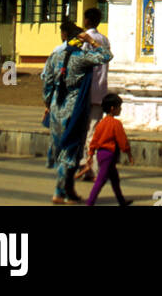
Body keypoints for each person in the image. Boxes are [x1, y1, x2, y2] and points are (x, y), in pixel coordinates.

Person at [41, 17, 112, 205]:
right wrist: (91, 41)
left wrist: (48, 104)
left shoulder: (55, 56)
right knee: (71, 150)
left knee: (62, 148)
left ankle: (69, 189)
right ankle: (59, 191)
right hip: (75, 108)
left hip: (57, 106)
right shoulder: (81, 58)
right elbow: (106, 56)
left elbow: (47, 83)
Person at [75, 6, 110, 183]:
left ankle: (90, 167)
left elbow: (81, 63)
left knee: (85, 132)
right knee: (94, 131)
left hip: (86, 90)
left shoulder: (86, 40)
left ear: (87, 20)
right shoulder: (104, 39)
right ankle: (90, 167)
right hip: (101, 90)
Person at [84, 92, 134, 207]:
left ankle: (121, 201)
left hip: (101, 154)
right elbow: (123, 141)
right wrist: (129, 153)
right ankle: (90, 203)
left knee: (115, 180)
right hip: (109, 155)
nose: (120, 109)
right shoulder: (116, 124)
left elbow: (94, 140)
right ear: (113, 109)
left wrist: (91, 154)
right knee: (100, 181)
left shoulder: (101, 123)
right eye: (119, 107)